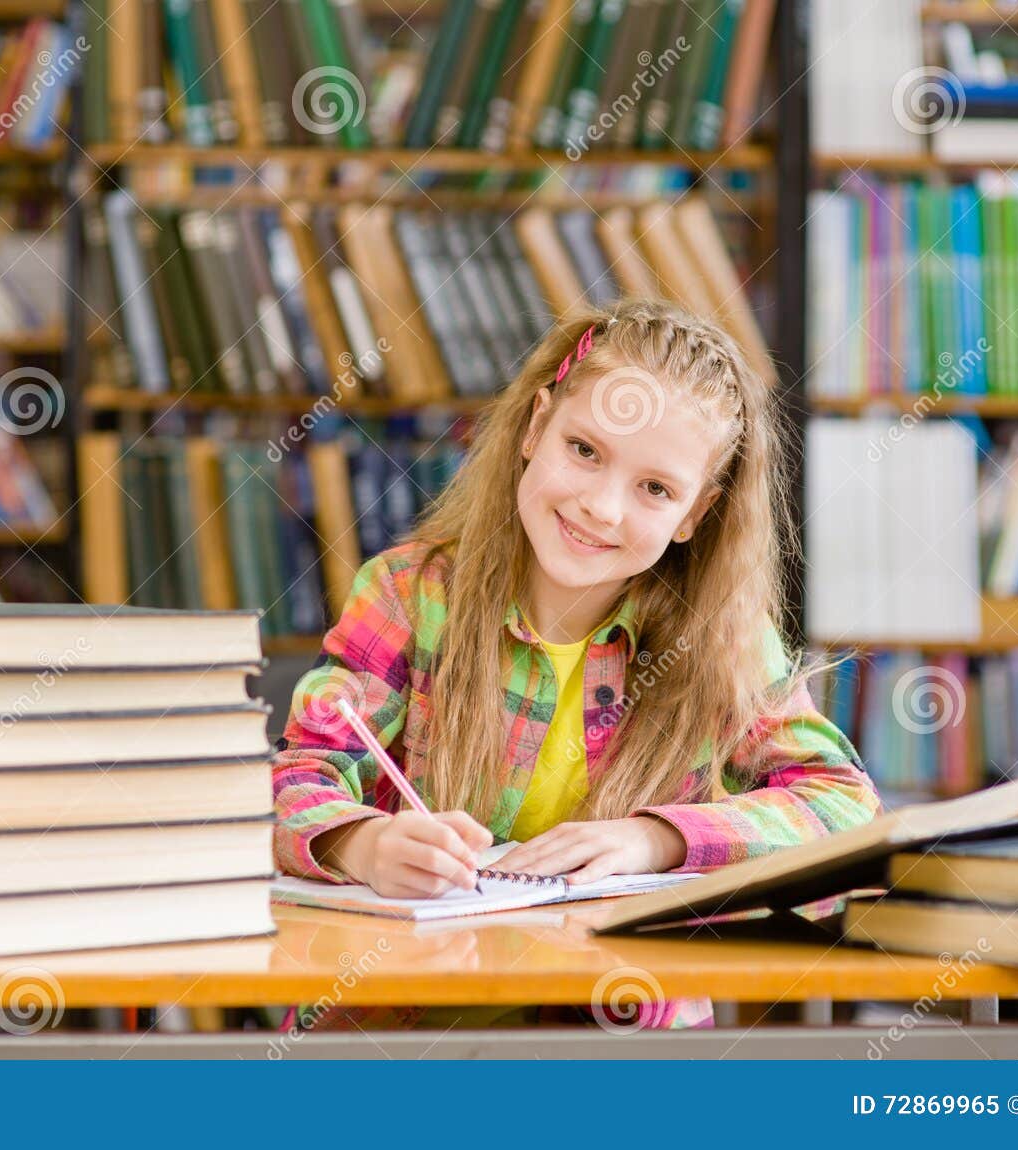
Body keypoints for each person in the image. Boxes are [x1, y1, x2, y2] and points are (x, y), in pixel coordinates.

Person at [271, 297, 879, 1029]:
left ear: (695, 514)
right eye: (584, 451)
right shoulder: (409, 595)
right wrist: (362, 845)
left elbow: (846, 811)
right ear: (535, 428)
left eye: (655, 489)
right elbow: (292, 780)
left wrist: (653, 839)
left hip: (626, 1051)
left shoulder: (724, 643)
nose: (601, 507)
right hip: (393, 1037)